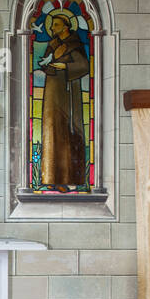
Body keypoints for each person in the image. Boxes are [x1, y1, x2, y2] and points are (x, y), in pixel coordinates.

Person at [39, 12, 89, 188]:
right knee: (51, 129)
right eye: (52, 25)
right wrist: (48, 65)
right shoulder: (53, 44)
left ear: (66, 27)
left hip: (67, 92)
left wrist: (65, 66)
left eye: (56, 25)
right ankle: (50, 178)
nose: (52, 28)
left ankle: (67, 179)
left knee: (66, 131)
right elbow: (45, 64)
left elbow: (84, 65)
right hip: (52, 90)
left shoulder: (75, 44)